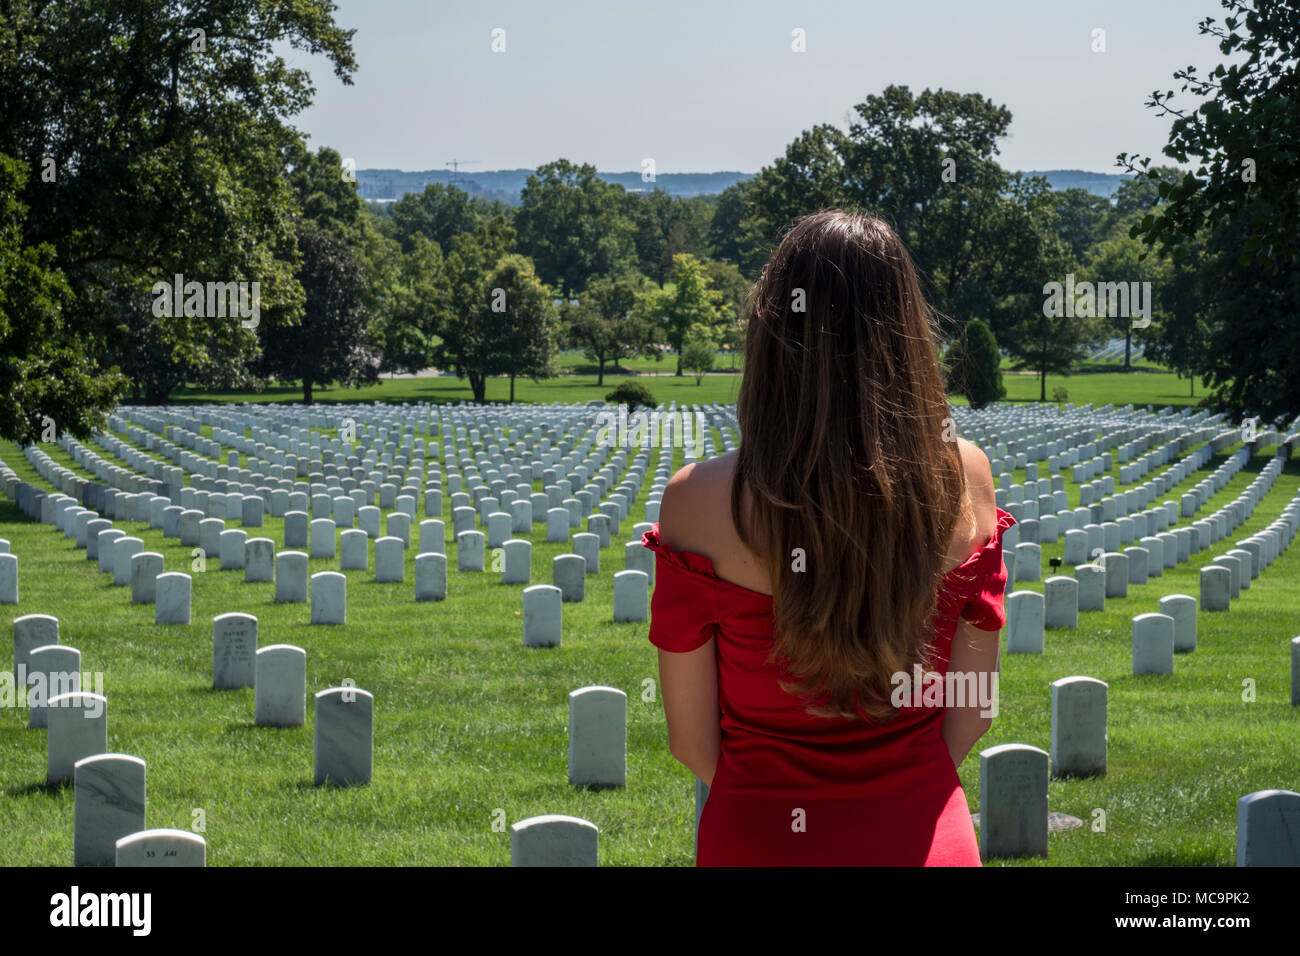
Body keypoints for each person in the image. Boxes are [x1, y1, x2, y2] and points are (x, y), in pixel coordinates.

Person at [642, 209, 1014, 866]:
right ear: (907, 334)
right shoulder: (966, 478)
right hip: (922, 835)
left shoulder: (697, 502)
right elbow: (972, 710)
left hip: (758, 839)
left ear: (771, 332)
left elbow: (692, 743)